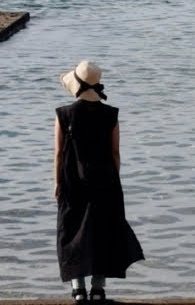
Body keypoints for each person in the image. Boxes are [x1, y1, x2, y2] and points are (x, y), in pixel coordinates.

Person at [54, 60, 144, 302]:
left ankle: (78, 290)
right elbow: (115, 152)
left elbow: (59, 153)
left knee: (72, 231)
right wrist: (114, 177)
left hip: (72, 181)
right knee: (103, 230)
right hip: (105, 180)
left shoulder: (64, 114)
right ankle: (98, 289)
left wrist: (57, 182)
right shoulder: (110, 114)